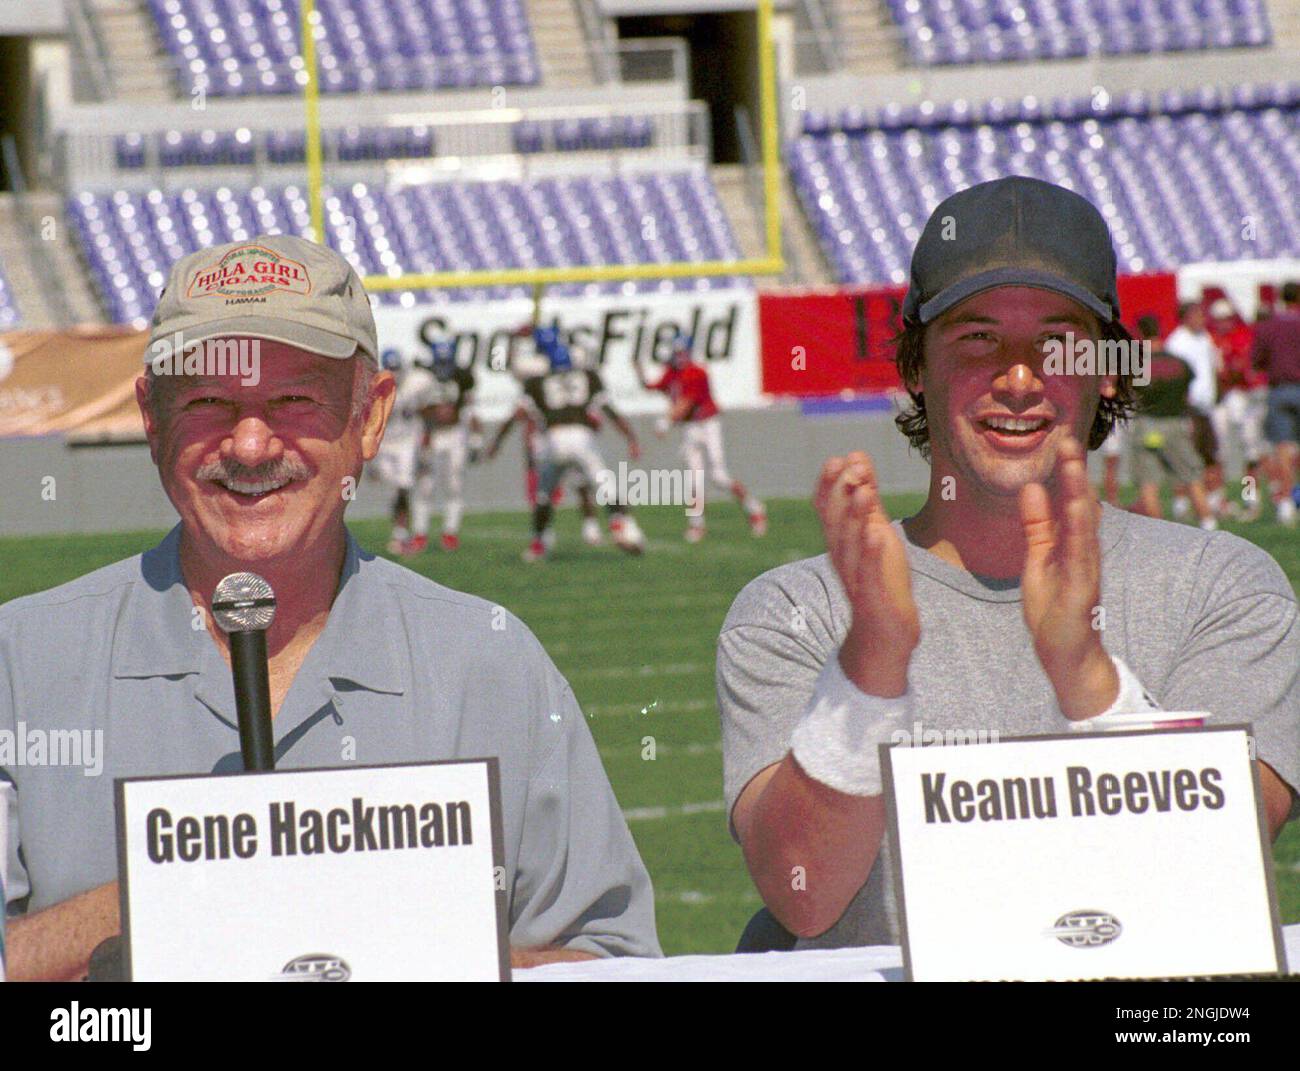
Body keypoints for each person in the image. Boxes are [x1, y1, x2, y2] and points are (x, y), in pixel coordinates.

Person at [0, 235, 660, 980]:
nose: (250, 444)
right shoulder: (21, 662)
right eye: (211, 401)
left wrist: (375, 934)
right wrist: (174, 896)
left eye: (294, 400)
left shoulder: (491, 663)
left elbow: (613, 966)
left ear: (372, 417)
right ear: (152, 417)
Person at [716, 177, 1298, 948]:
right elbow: (803, 893)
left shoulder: (1223, 588)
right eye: (978, 338)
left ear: (1110, 368)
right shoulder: (801, 609)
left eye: (1057, 342)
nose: (1019, 378)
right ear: (915, 364)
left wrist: (1089, 681)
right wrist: (871, 665)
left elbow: (1210, 863)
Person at [489, 325, 644, 561]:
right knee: (604, 483)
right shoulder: (588, 376)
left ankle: (539, 545)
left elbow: (515, 415)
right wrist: (631, 437)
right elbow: (609, 410)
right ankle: (622, 526)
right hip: (582, 437)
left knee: (543, 495)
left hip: (552, 440)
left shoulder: (536, 381)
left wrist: (496, 443)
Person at [634, 332, 766, 542]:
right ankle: (697, 525)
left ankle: (755, 508)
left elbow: (686, 402)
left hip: (708, 424)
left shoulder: (697, 373)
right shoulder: (672, 372)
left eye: (681, 351)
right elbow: (654, 387)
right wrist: (639, 373)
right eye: (676, 351)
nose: (678, 356)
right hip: (690, 428)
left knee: (719, 477)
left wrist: (667, 421)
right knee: (694, 480)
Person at [1127, 314, 1217, 529]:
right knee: (1191, 475)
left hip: (1145, 425)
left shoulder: (1136, 365)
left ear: (1139, 334)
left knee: (1148, 482)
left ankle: (1158, 532)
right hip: (1175, 423)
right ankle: (1208, 522)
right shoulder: (1180, 363)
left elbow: (1129, 396)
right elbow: (1187, 395)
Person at [412, 339, 482, 551]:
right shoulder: (422, 379)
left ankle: (450, 533)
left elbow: (470, 409)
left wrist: (476, 440)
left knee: (454, 485)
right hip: (432, 434)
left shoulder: (462, 377)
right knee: (425, 487)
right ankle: (420, 534)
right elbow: (416, 408)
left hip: (454, 435)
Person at [370, 346, 437, 555]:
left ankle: (401, 534)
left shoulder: (416, 383)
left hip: (407, 442)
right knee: (393, 489)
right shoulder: (375, 387)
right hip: (384, 443)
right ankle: (400, 529)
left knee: (403, 486)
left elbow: (430, 406)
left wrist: (427, 434)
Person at [1208, 298, 1268, 521]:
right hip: (1221, 399)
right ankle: (1219, 500)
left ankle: (1250, 498)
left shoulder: (1244, 336)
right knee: (1218, 451)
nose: (1223, 323)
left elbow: (1243, 370)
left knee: (1250, 450)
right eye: (1219, 319)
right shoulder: (1211, 339)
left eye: (1227, 318)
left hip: (1243, 396)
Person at [1164, 300, 1224, 518]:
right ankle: (1181, 502)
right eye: (1197, 315)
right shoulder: (1177, 342)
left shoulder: (1205, 338)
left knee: (1210, 453)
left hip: (1207, 406)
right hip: (1187, 408)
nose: (1202, 319)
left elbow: (1213, 369)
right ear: (1186, 316)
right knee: (1186, 456)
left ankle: (1213, 500)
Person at [1251, 280, 1300, 527]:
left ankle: (1287, 504)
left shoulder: (1270, 325)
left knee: (1281, 448)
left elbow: (1257, 360)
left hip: (1280, 389)